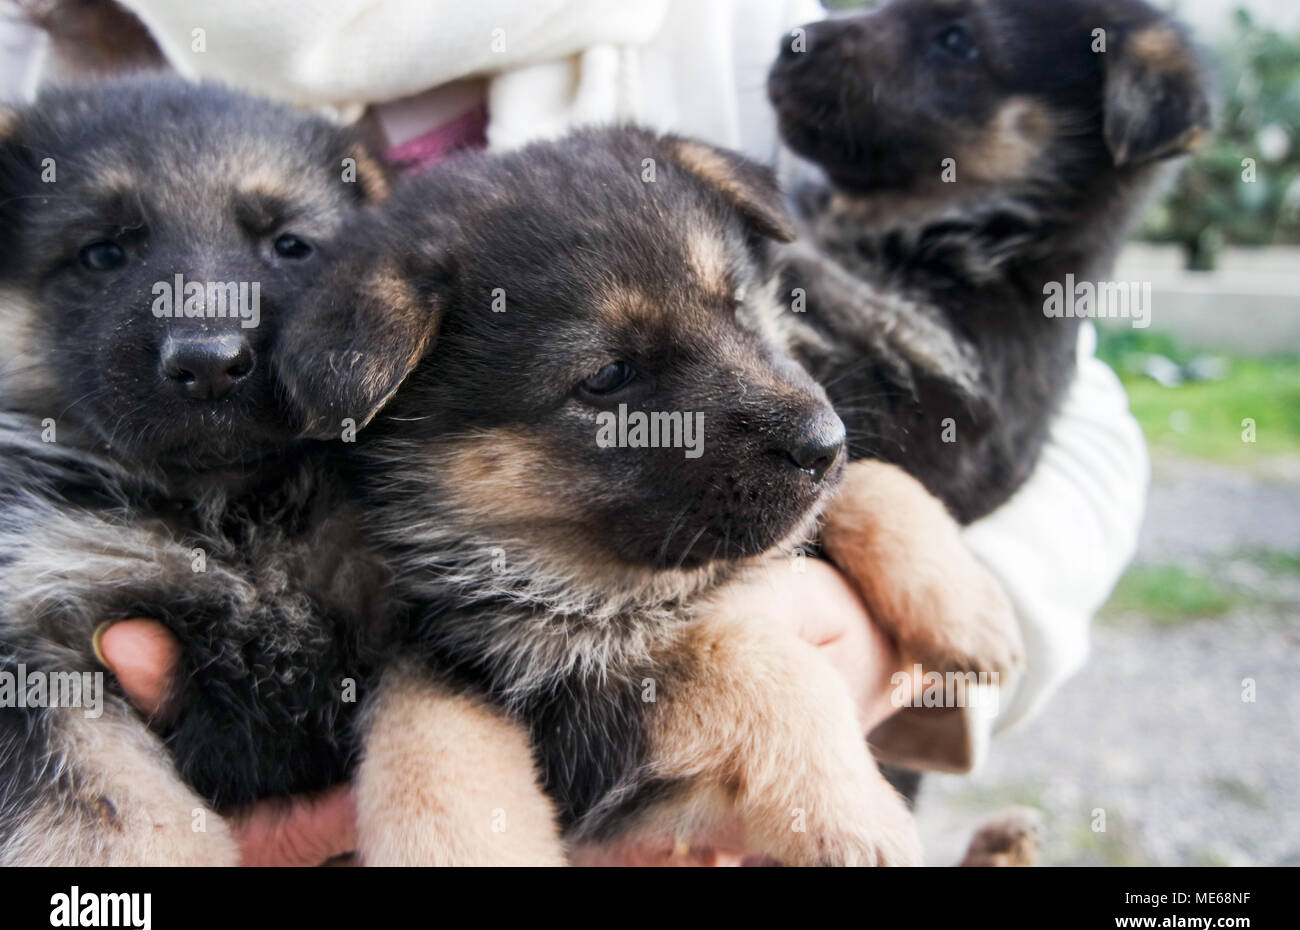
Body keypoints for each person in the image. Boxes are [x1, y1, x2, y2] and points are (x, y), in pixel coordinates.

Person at [10, 0, 1148, 864]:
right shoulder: (33, 72)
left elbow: (1037, 381)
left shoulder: (732, 30)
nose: (215, 326)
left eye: (288, 250)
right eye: (101, 256)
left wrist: (846, 634)